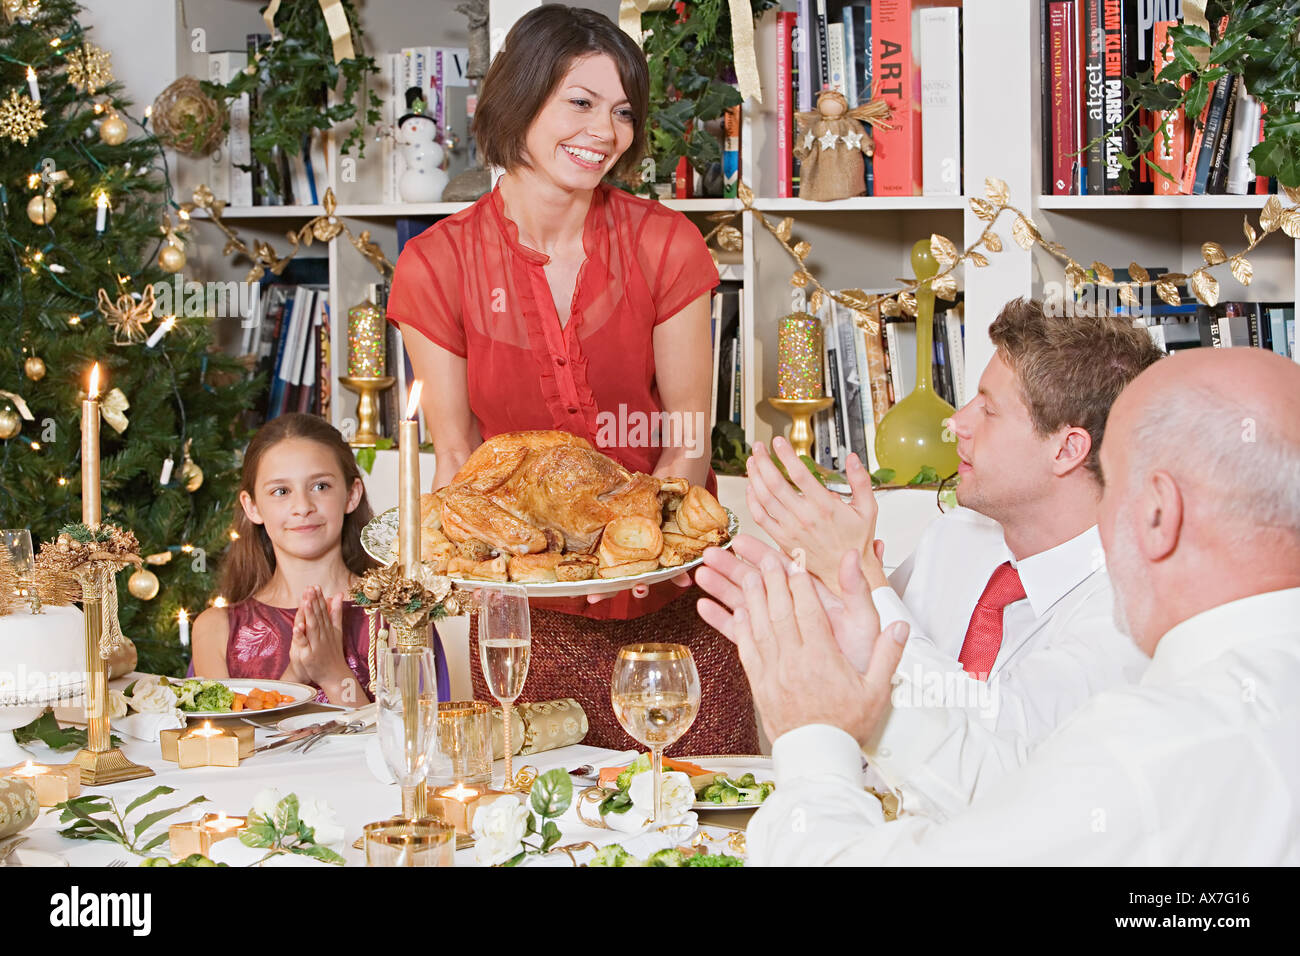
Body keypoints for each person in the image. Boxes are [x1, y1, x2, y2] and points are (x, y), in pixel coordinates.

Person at [699, 346, 1300, 865]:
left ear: (1158, 513)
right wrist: (869, 674)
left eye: (1112, 484)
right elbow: (1011, 791)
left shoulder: (1145, 751)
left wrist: (812, 734)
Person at [385, 5, 757, 752]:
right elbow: (458, 462)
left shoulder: (667, 245)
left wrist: (640, 557)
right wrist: (512, 575)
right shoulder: (436, 266)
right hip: (528, 625)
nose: (604, 132)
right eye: (579, 103)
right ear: (518, 98)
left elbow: (686, 434)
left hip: (677, 610)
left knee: (703, 832)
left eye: (621, 111)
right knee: (540, 830)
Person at [727, 298, 1163, 816]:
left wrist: (864, 577)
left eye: (989, 408)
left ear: (1066, 450)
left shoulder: (1130, 616)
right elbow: (859, 676)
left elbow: (992, 769)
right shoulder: (956, 537)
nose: (957, 422)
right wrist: (820, 591)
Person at [193, 414, 449, 705]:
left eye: (320, 486)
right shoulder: (216, 630)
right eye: (281, 491)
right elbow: (228, 744)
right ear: (252, 507)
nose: (302, 506)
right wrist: (295, 676)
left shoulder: (401, 617)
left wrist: (332, 672)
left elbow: (411, 742)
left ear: (352, 495)